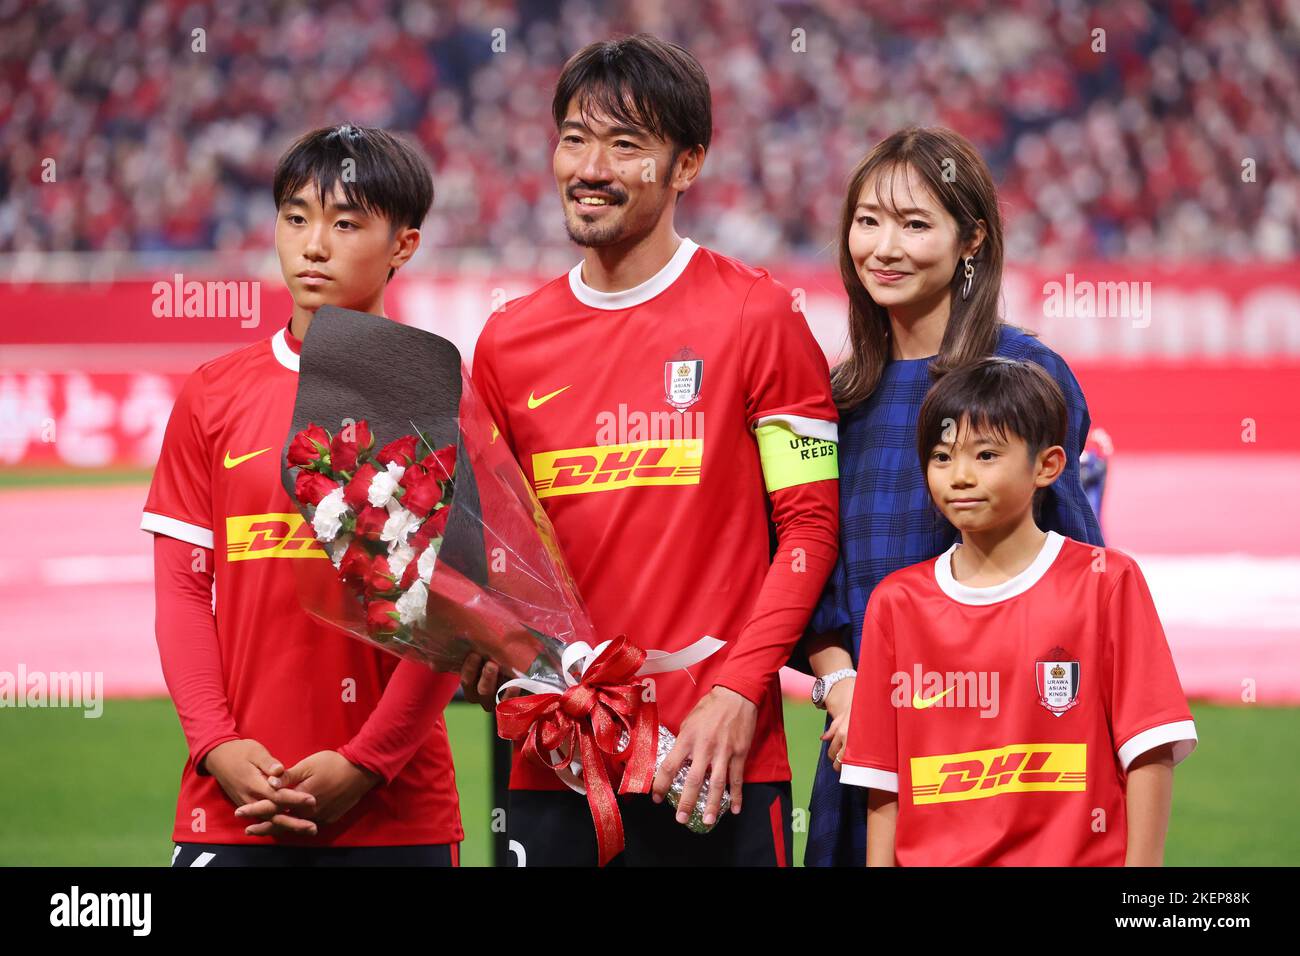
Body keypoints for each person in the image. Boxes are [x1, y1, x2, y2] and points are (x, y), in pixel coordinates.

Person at [463, 34, 840, 866]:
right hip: (554, 762)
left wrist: (741, 690)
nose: (590, 166)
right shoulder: (505, 344)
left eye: (626, 144)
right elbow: (494, 554)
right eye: (573, 137)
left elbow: (811, 529)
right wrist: (480, 646)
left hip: (718, 755)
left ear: (687, 164)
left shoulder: (760, 318)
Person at [142, 124, 463, 866]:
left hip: (396, 812)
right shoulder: (212, 395)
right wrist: (216, 747)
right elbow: (184, 594)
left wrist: (369, 760)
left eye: (345, 224)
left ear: (403, 245)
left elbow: (449, 615)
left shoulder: (434, 395)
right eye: (296, 218)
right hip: (235, 804)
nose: (313, 245)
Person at [801, 127, 1105, 867]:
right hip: (862, 748)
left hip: (994, 746)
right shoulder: (829, 400)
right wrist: (842, 684)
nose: (883, 247)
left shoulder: (1027, 375)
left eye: (914, 224)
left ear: (971, 239)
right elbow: (808, 567)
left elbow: (1071, 576)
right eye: (868, 221)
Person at [839, 357, 1196, 865]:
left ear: (1047, 466)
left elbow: (1149, 748)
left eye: (986, 455)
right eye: (942, 457)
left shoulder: (1107, 582)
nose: (960, 476)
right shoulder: (897, 603)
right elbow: (883, 782)